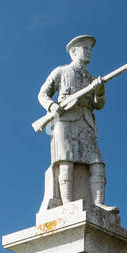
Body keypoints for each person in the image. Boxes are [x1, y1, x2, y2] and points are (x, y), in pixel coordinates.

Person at [37, 35, 107, 207]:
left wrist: (99, 92)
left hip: (86, 122)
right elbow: (43, 94)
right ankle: (67, 203)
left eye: (90, 49)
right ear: (74, 52)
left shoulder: (92, 78)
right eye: (85, 48)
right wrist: (52, 106)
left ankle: (98, 205)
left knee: (97, 163)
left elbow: (99, 105)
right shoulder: (61, 71)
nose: (89, 52)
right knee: (66, 162)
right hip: (65, 121)